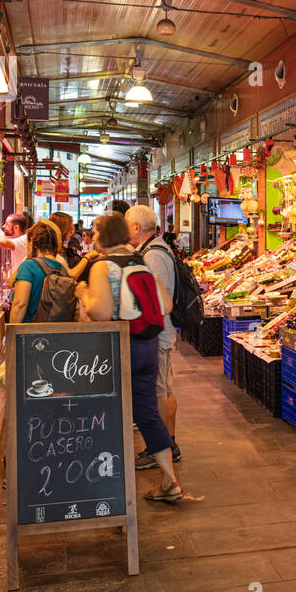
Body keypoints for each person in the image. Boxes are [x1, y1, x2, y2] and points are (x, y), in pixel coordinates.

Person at [77, 213, 183, 503]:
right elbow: (166, 304)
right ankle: (170, 482)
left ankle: (108, 486)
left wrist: (84, 293)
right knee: (146, 413)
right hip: (147, 345)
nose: (93, 237)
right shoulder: (140, 261)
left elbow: (99, 312)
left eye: (96, 232)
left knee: (111, 413)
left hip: (119, 347)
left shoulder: (103, 265)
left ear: (105, 236)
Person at [126, 204, 182, 469]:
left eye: (127, 225)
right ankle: (170, 444)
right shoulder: (150, 251)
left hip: (158, 332)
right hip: (161, 330)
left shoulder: (154, 255)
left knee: (160, 392)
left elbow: (159, 299)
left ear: (136, 227)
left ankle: (159, 448)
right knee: (165, 389)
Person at [8, 222, 66, 323]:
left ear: (32, 242)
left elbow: (20, 304)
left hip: (30, 332)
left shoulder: (29, 266)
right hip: (55, 332)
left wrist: (11, 334)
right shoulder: (61, 268)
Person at [0, 213, 30, 279]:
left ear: (16, 227)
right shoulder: (15, 239)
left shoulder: (24, 239)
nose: (4, 226)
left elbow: (2, 242)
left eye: (7, 224)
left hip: (23, 282)